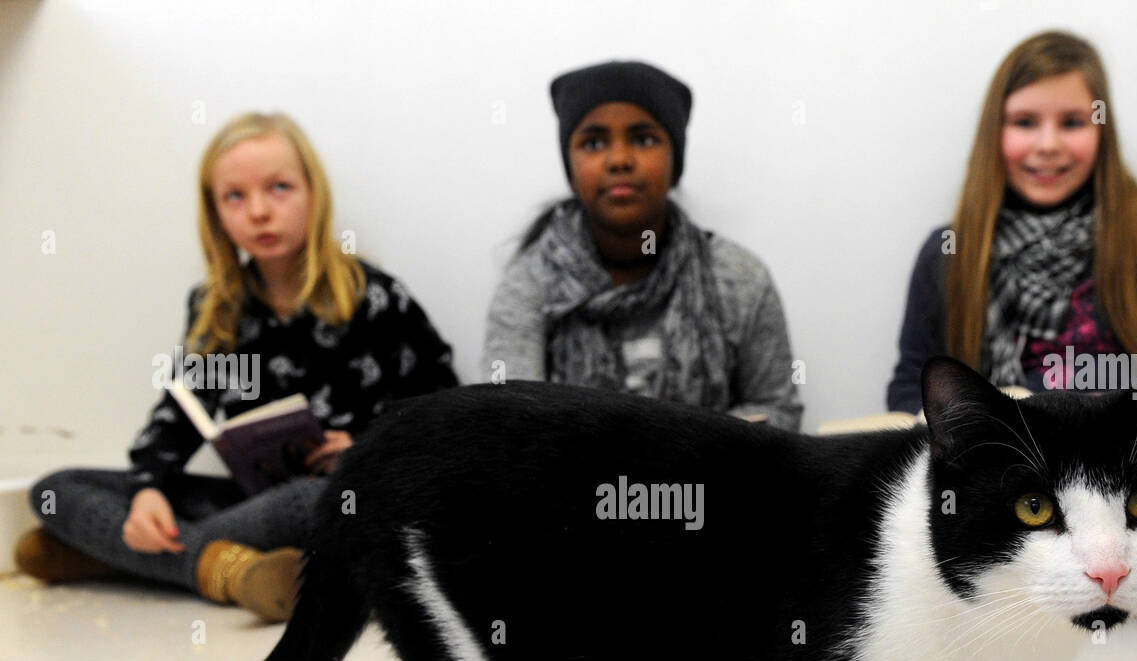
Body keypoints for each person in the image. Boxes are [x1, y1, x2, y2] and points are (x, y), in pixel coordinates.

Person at [15, 111, 457, 621]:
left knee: (314, 500)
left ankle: (109, 557)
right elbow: (177, 418)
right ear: (215, 212)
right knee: (53, 488)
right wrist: (147, 492)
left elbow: (444, 413)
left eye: (280, 188)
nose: (260, 212)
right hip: (247, 505)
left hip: (341, 502)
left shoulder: (372, 298)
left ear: (314, 194)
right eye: (236, 197)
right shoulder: (219, 309)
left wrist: (366, 450)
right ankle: (224, 567)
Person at [885, 31, 1137, 622]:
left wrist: (1116, 404)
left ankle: (1064, 572)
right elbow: (909, 383)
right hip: (1021, 470)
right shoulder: (949, 250)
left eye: (1073, 122)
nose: (1048, 144)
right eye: (1026, 122)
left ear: (1101, 133)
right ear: (994, 135)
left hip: (1126, 462)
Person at [481, 59, 802, 431]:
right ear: (570, 168)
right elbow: (507, 427)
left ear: (675, 162)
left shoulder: (740, 279)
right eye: (594, 142)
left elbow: (779, 413)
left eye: (644, 139)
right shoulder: (529, 286)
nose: (619, 160)